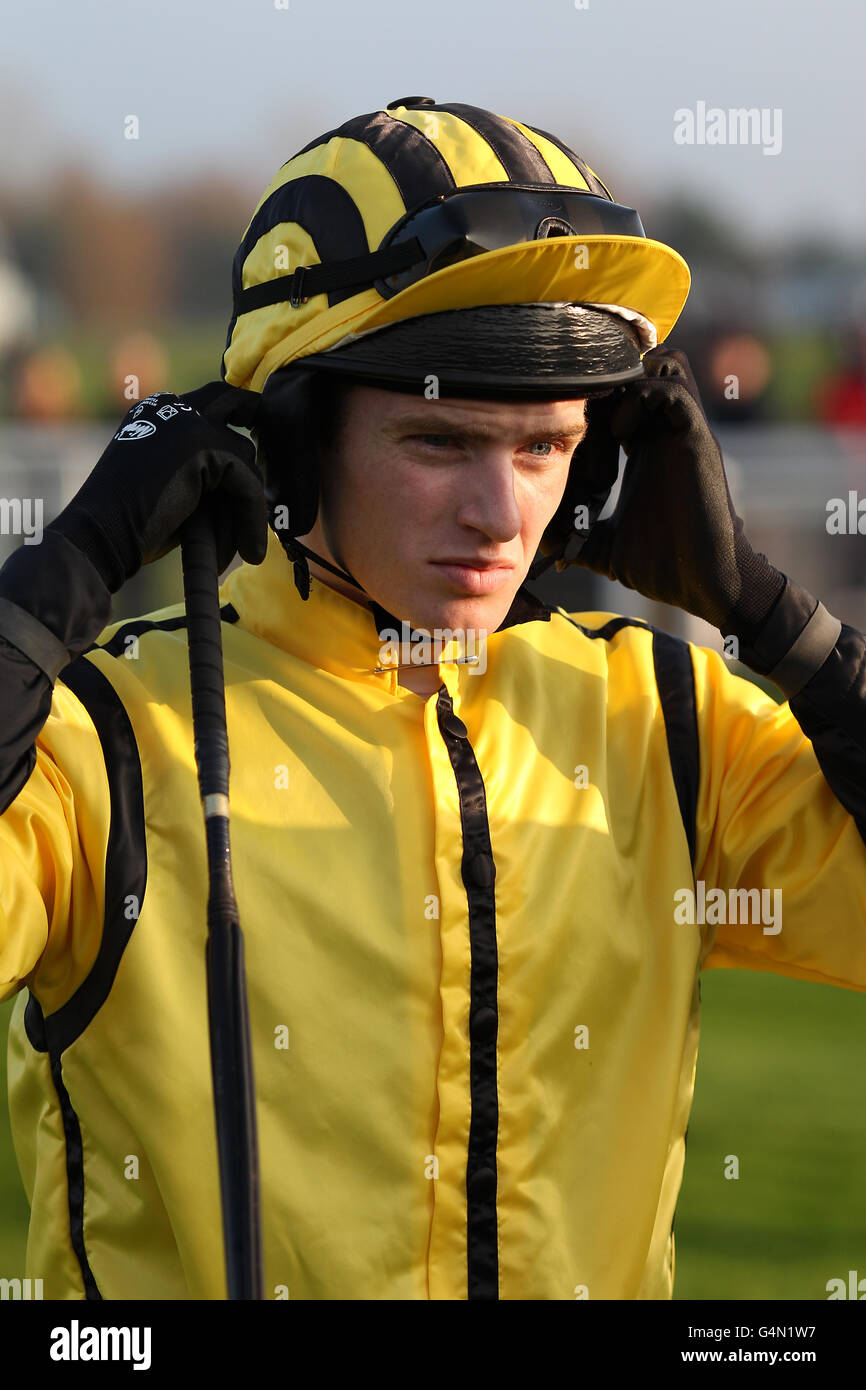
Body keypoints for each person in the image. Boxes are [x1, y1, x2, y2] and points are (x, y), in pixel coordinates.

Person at [0, 98, 864, 1301]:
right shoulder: (103, 741)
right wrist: (56, 582)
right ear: (287, 448)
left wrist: (772, 614)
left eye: (542, 448)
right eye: (440, 443)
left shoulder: (661, 718)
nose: (502, 516)